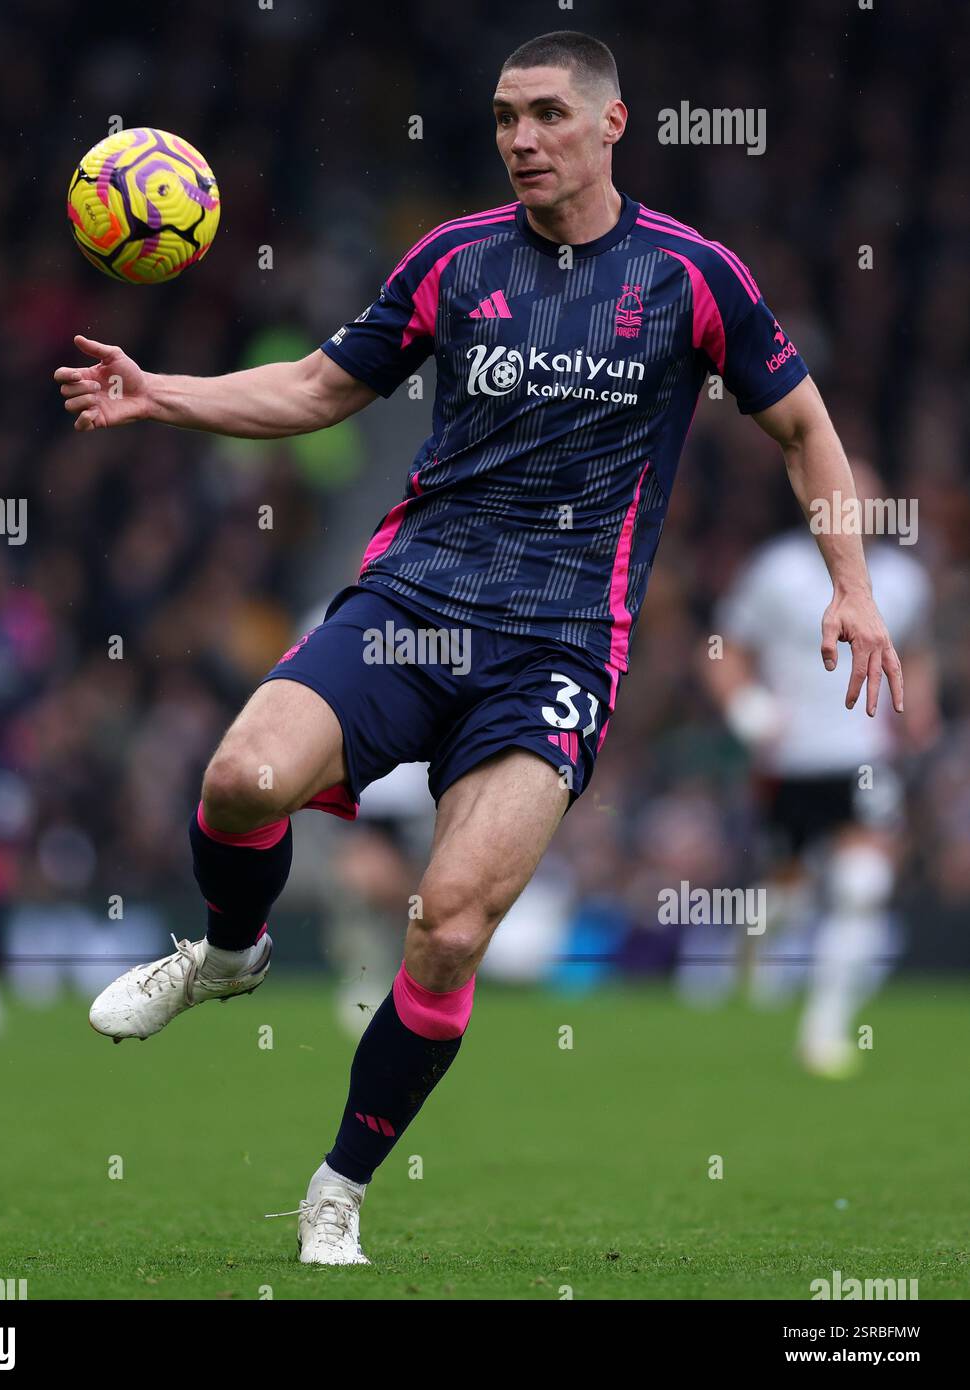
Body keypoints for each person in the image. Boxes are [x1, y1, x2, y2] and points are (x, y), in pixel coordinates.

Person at [53, 30, 904, 1264]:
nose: (519, 138)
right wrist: (161, 390)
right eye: (505, 116)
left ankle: (336, 1186)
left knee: (448, 926)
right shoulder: (453, 260)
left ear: (610, 126)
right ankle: (229, 955)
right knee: (239, 778)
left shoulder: (691, 277)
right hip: (412, 603)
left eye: (548, 114)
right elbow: (314, 387)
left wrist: (853, 587)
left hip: (561, 646)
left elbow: (804, 426)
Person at [701, 462, 938, 1076]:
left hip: (863, 760)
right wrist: (745, 707)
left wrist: (920, 711)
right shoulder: (776, 572)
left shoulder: (903, 581)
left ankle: (824, 1030)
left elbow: (915, 650)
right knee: (790, 892)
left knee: (862, 887)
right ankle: (751, 947)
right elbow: (723, 650)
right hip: (791, 760)